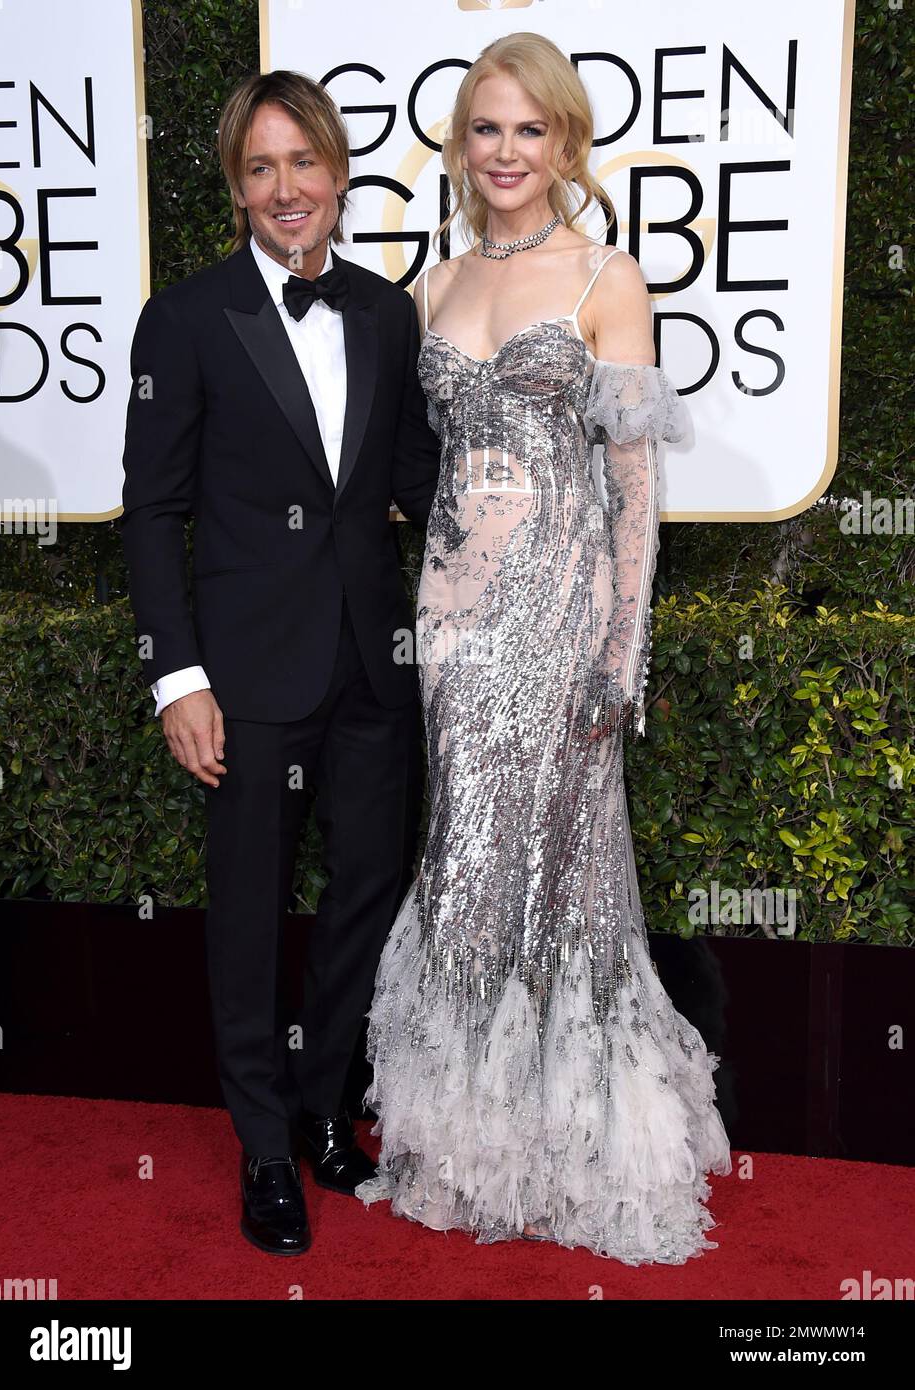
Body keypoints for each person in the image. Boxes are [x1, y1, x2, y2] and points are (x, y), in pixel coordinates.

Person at [355, 32, 732, 1265]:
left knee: (562, 872)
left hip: (560, 616)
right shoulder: (432, 286)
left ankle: (581, 1143)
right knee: (462, 859)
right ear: (459, 146)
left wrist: (620, 651)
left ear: (565, 141)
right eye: (483, 128)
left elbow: (636, 492)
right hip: (453, 629)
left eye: (527, 129)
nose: (504, 151)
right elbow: (420, 470)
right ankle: (467, 1143)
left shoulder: (603, 280)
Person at [120, 70, 440, 1256]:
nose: (286, 187)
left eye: (302, 162)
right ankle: (261, 1145)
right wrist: (177, 678)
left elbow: (409, 482)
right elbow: (151, 512)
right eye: (261, 168)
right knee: (247, 913)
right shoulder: (186, 319)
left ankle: (320, 1110)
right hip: (245, 679)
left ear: (339, 171)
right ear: (236, 186)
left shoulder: (383, 310)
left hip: (372, 663)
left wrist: (521, 525)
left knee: (365, 893)